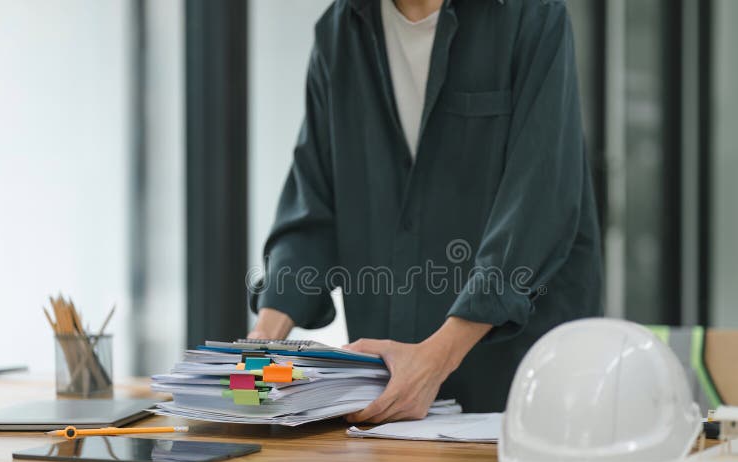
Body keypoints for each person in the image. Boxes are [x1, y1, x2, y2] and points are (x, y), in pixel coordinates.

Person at [248, 0, 603, 424]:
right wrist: (261, 344)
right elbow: (312, 212)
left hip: (523, 383)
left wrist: (435, 359)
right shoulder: (340, 32)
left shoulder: (532, 17)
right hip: (394, 400)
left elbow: (538, 205)